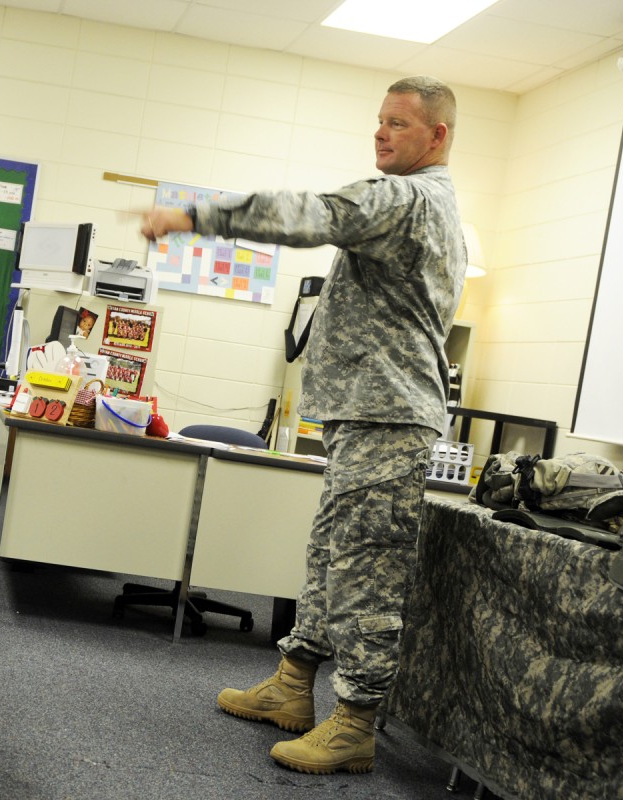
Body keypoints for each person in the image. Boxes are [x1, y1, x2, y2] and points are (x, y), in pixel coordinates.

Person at [142, 76, 465, 776]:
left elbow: (309, 215)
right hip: (365, 413)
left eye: (399, 125)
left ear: (437, 136)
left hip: (388, 417)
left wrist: (197, 216)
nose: (381, 133)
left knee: (365, 573)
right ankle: (292, 687)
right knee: (329, 557)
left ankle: (354, 725)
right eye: (378, 120)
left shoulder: (408, 198)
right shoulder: (419, 203)